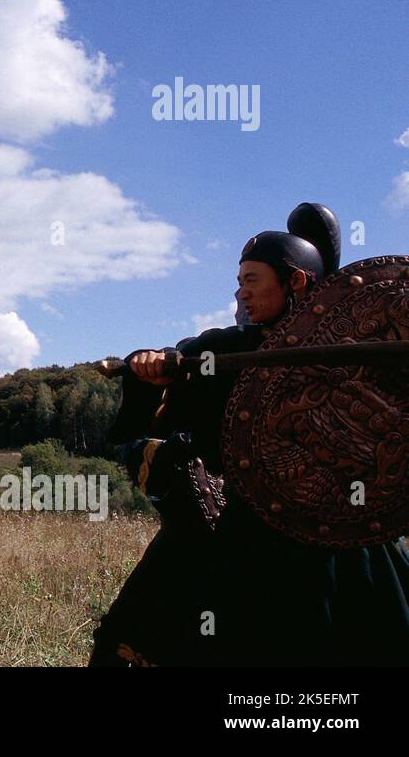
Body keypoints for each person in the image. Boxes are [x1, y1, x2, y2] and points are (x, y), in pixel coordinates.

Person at [92, 202, 409, 665]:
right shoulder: (225, 349)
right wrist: (150, 367)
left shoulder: (360, 354)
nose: (240, 292)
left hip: (343, 534)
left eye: (251, 280)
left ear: (296, 281)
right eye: (240, 281)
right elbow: (169, 383)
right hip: (243, 533)